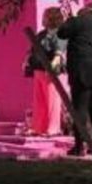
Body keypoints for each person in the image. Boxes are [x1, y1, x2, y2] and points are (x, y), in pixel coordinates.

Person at [57, 2, 92, 156]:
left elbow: (61, 33)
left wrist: (69, 19)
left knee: (80, 108)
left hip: (82, 68)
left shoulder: (78, 20)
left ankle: (79, 147)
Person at [25, 7, 68, 136]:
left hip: (50, 71)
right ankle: (38, 127)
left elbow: (59, 52)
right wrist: (26, 60)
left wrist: (53, 67)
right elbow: (32, 50)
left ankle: (53, 128)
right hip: (38, 69)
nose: (44, 18)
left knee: (52, 100)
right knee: (39, 100)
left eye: (47, 16)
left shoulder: (60, 33)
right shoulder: (41, 34)